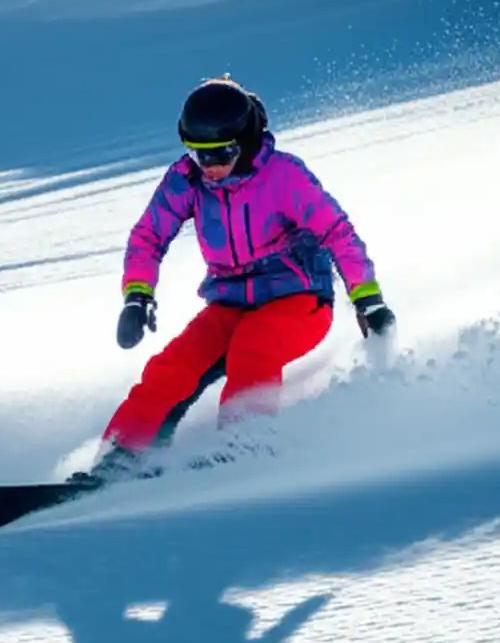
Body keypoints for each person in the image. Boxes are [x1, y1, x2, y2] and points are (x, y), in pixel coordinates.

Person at [80, 76, 395, 482]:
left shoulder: (284, 176)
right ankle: (118, 463)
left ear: (243, 142)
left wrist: (368, 299)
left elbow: (338, 232)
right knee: (170, 367)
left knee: (255, 346)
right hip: (230, 303)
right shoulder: (187, 180)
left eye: (221, 154)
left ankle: (243, 449)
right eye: (199, 156)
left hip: (299, 300)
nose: (209, 168)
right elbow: (149, 235)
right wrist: (137, 297)